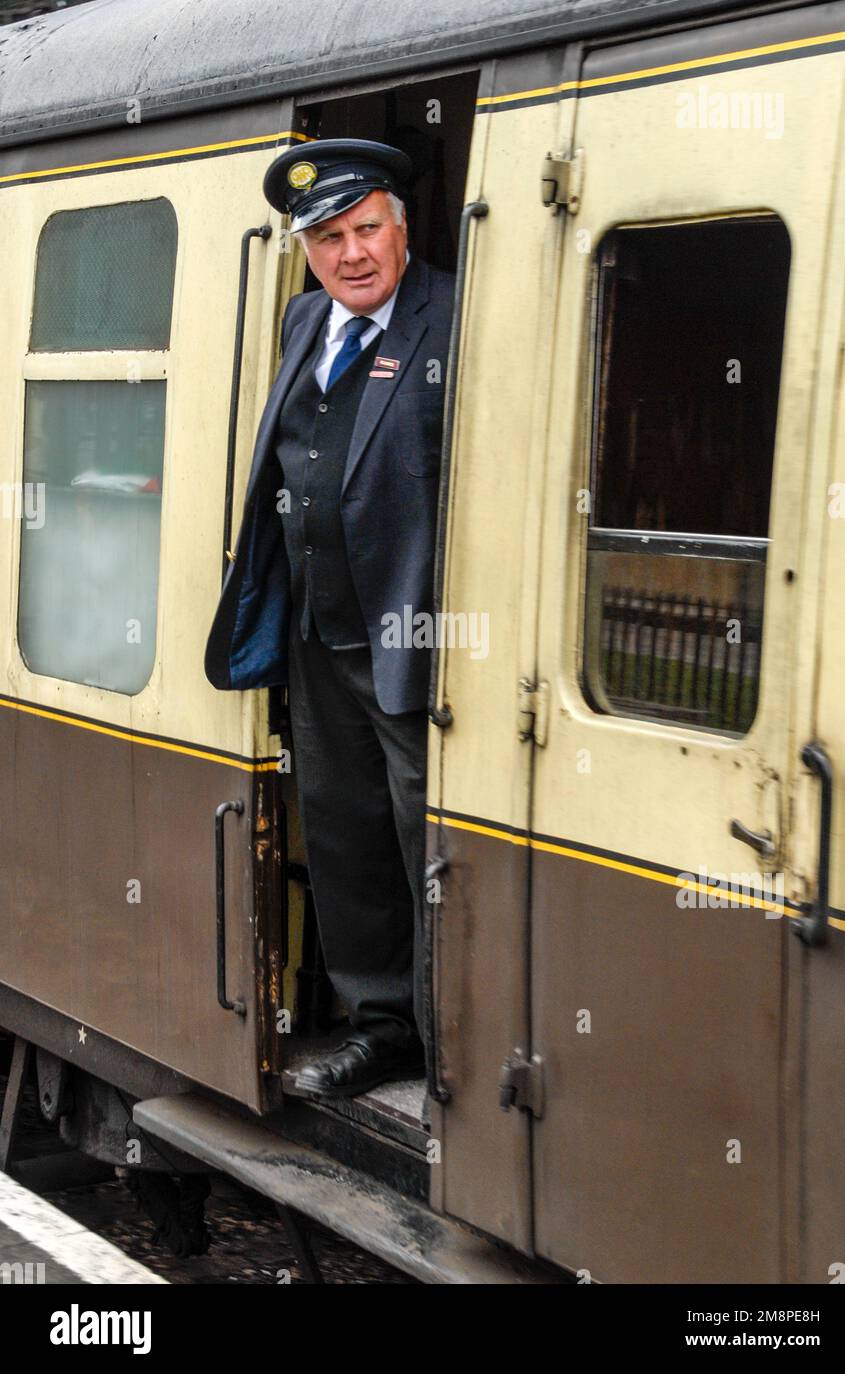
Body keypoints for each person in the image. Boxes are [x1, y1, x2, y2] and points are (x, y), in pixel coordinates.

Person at [205, 139, 455, 1099]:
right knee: (346, 837)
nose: (350, 254)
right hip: (317, 635)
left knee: (423, 842)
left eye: (365, 230)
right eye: (327, 238)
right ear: (305, 250)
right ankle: (382, 1026)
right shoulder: (306, 321)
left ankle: (451, 1045)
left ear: (402, 229)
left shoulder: (452, 319)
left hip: (412, 643)